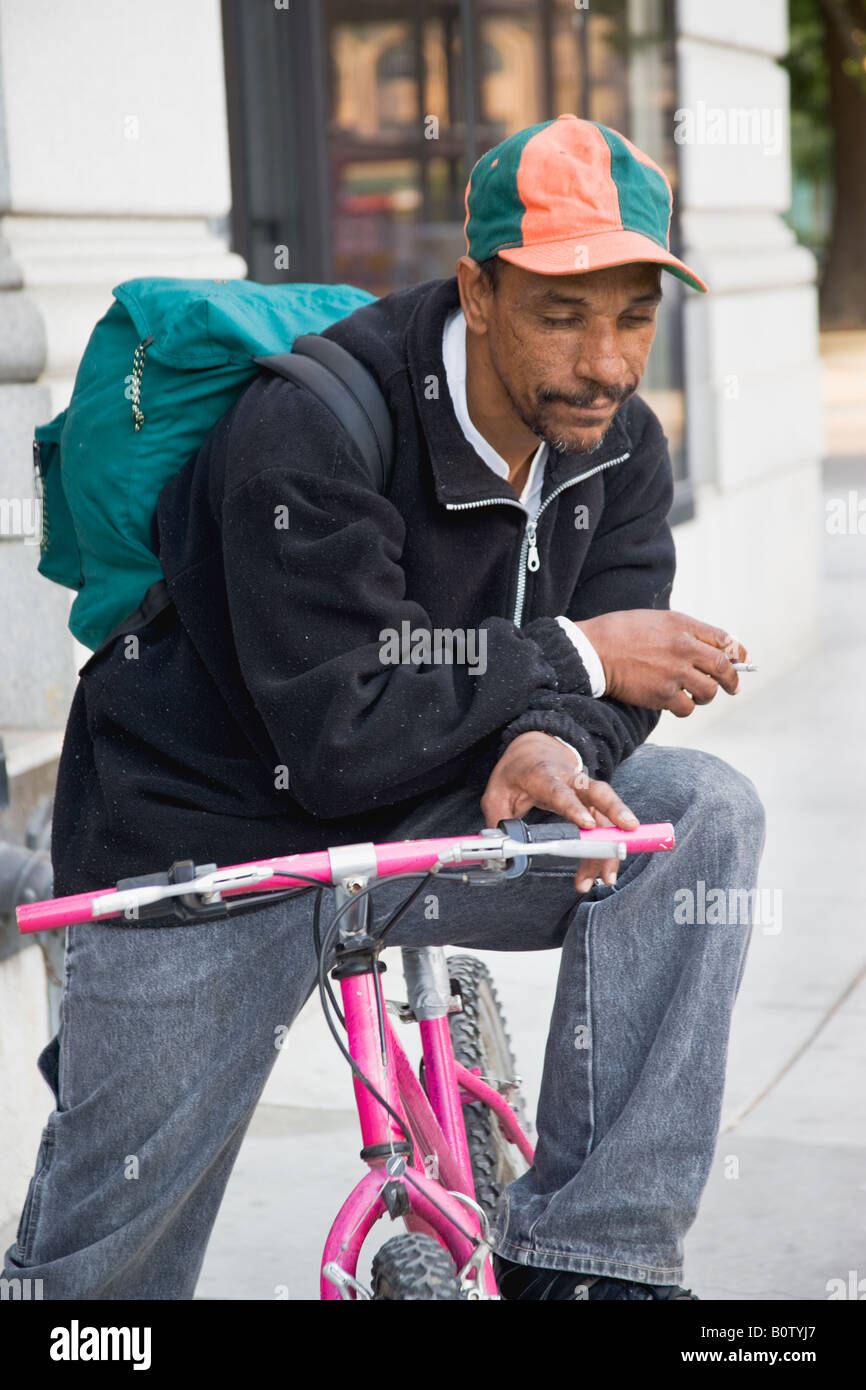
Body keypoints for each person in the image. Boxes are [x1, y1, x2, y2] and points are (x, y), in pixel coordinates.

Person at [3, 114, 764, 1301]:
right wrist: (568, 653)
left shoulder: (616, 445)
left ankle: (591, 1265)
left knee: (700, 820)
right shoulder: (310, 424)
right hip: (206, 841)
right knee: (97, 1290)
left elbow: (622, 668)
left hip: (430, 813)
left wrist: (550, 732)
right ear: (477, 287)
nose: (606, 362)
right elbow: (345, 728)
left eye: (631, 315)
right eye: (562, 313)